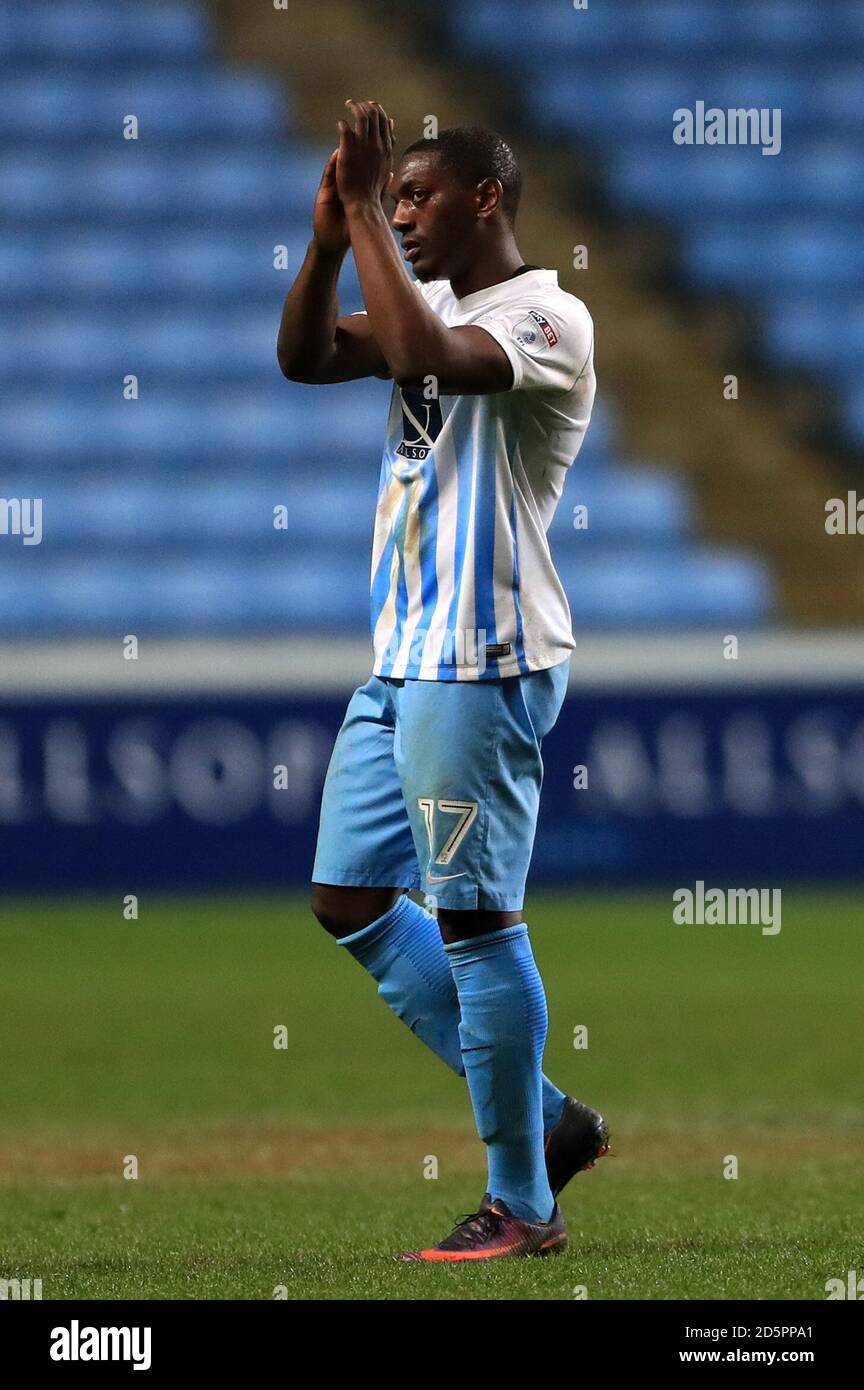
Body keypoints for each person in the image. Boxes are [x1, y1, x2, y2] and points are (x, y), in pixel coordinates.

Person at [278, 101, 608, 1262]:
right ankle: (550, 1115)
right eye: (394, 197)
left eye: (421, 197)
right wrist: (329, 241)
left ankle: (524, 1203)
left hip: (483, 657)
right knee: (349, 898)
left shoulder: (546, 318)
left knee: (474, 921)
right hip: (404, 659)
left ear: (488, 200)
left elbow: (421, 356)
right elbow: (307, 356)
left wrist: (364, 207)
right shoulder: (442, 308)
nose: (405, 215)